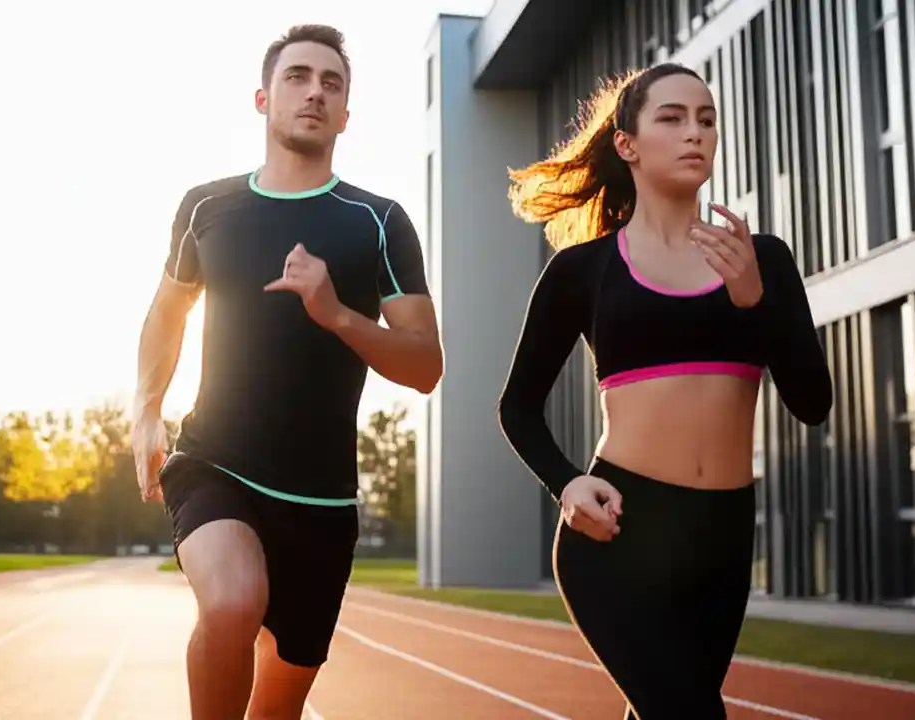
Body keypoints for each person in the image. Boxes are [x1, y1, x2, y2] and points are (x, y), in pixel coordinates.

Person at [497, 63, 832, 719]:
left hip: (723, 537)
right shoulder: (582, 271)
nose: (695, 134)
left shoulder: (763, 260)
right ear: (627, 144)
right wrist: (566, 483)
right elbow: (518, 407)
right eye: (673, 118)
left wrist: (755, 302)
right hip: (620, 531)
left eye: (706, 119)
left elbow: (813, 404)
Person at [130, 24, 442, 720]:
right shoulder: (206, 207)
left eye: (331, 83)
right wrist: (147, 410)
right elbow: (168, 311)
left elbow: (425, 365)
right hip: (215, 463)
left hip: (322, 503)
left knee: (278, 706)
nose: (315, 92)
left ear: (346, 115)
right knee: (234, 602)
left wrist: (337, 314)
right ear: (263, 98)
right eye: (299, 77)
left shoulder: (378, 222)